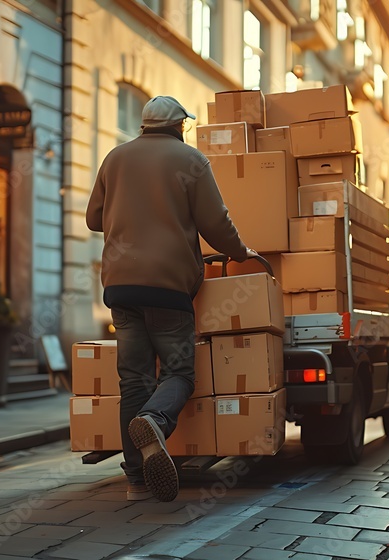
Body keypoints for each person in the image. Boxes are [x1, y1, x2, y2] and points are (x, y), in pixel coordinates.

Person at [85, 95, 254, 502]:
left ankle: (137, 479)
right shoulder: (190, 160)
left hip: (121, 287)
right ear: (180, 125)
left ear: (144, 126)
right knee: (179, 373)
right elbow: (216, 220)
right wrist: (240, 252)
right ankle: (155, 421)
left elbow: (93, 218)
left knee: (133, 380)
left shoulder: (115, 158)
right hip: (167, 286)